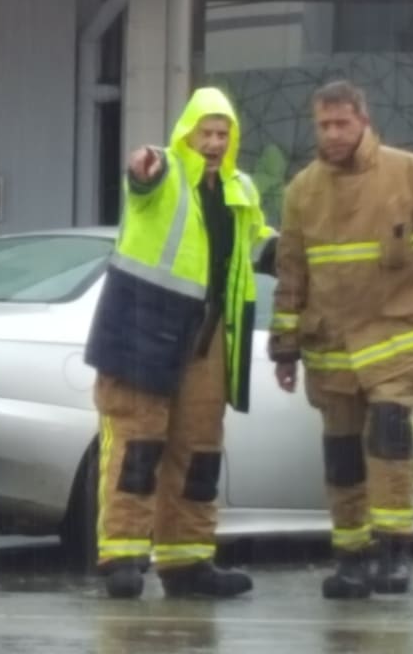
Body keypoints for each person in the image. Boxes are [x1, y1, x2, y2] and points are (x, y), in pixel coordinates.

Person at [269, 80, 413, 599]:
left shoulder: (411, 175)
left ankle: (394, 552)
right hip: (332, 347)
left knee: (390, 434)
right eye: (324, 124)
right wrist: (285, 345)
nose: (333, 133)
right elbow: (292, 272)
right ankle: (351, 558)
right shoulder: (303, 190)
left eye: (342, 123)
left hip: (400, 337)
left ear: (363, 121)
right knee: (342, 454)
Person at [84, 87, 278, 599]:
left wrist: (300, 254)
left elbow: (259, 242)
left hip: (207, 336)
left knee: (198, 450)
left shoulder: (240, 190)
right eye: (205, 133)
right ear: (186, 134)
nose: (213, 142)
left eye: (222, 134)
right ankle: (122, 557)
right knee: (137, 444)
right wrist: (140, 169)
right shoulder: (166, 171)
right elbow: (142, 183)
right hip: (144, 328)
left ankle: (187, 562)